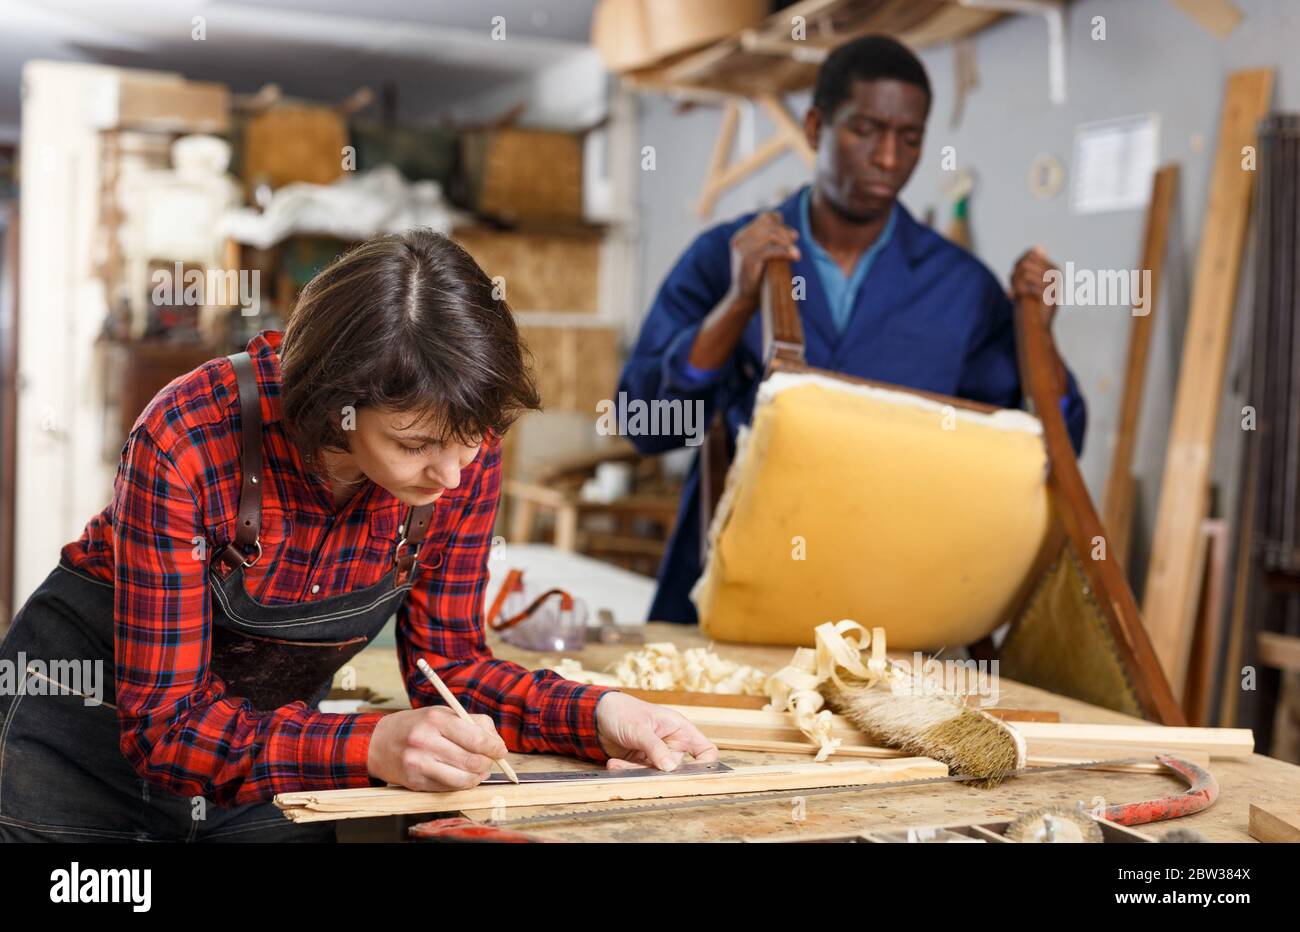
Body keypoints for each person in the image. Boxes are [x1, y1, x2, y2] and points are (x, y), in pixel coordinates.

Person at [0, 230, 715, 842]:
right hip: (79, 751)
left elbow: (452, 667)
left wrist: (598, 715)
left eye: (474, 441)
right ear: (331, 405)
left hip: (259, 764)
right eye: (415, 444)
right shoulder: (188, 438)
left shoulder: (458, 445)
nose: (455, 474)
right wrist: (372, 742)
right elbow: (168, 727)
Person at [618, 34, 1086, 626]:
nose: (889, 158)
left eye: (909, 138)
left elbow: (1051, 454)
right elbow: (642, 422)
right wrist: (738, 301)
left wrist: (1039, 337)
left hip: (890, 607)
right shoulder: (728, 256)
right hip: (726, 592)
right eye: (865, 131)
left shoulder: (962, 288)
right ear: (815, 128)